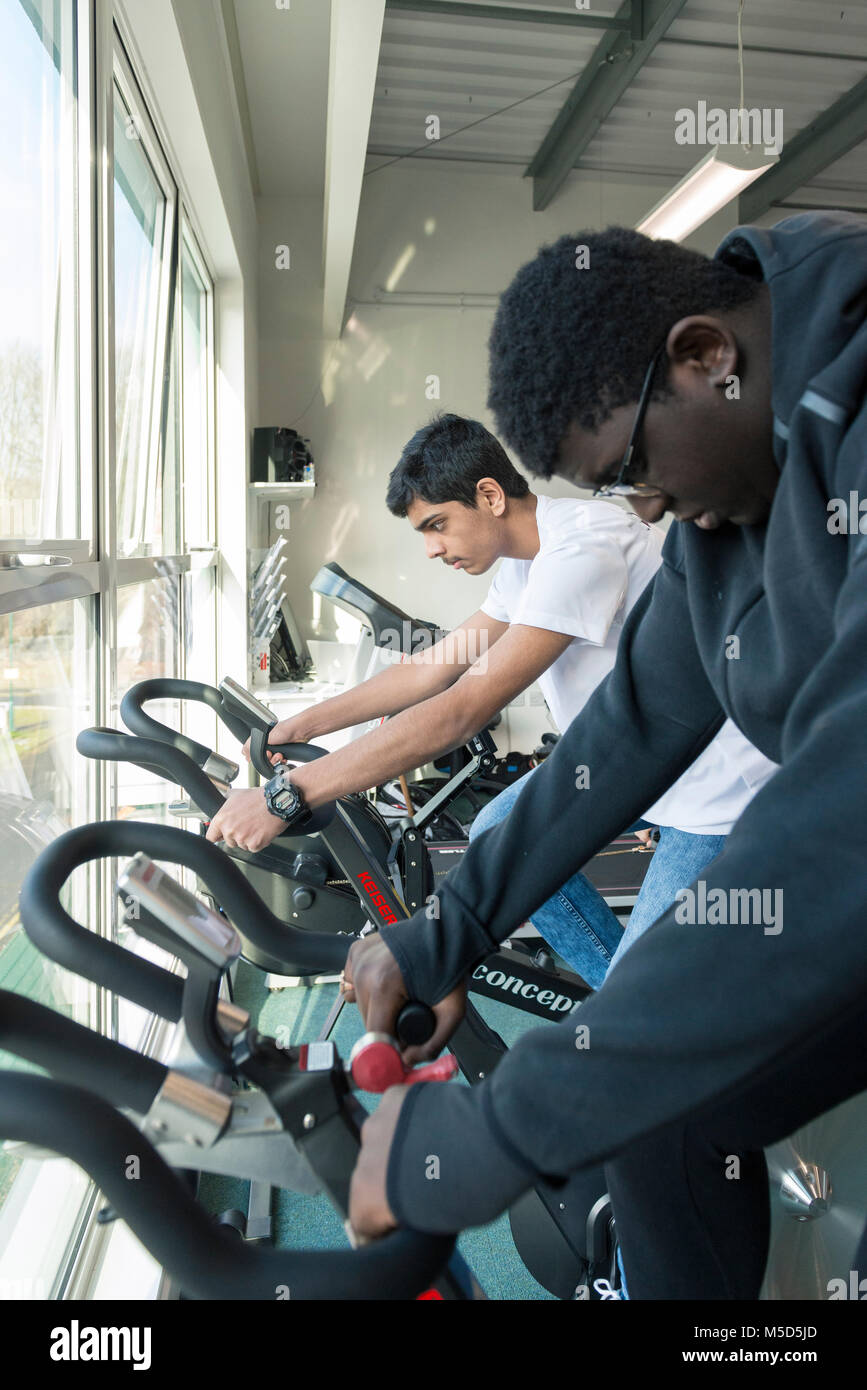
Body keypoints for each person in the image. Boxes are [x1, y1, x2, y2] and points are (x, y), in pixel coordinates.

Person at [342, 211, 867, 1300]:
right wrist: (453, 927)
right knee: (665, 1109)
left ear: (703, 357)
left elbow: (849, 808)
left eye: (634, 467)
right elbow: (634, 725)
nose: (653, 508)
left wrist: (501, 1127)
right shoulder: (730, 509)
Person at [205, 413, 774, 988]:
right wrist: (300, 725)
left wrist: (287, 796)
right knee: (498, 832)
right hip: (636, 762)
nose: (431, 549)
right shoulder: (522, 566)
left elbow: (462, 709)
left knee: (642, 992)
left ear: (490, 495)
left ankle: (631, 1007)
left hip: (712, 788)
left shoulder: (581, 548)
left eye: (437, 525)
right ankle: (617, 997)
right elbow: (436, 668)